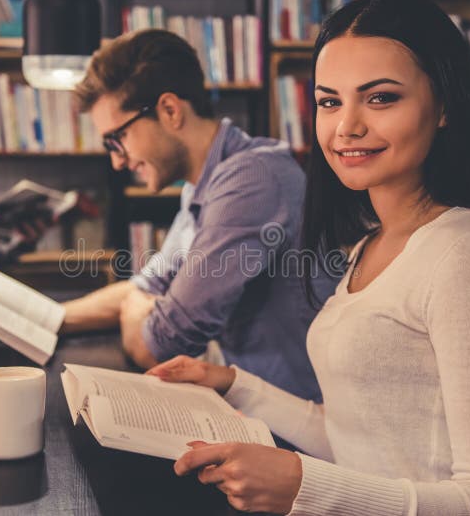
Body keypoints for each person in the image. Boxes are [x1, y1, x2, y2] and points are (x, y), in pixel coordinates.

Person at [148, 0, 470, 515]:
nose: (346, 126)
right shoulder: (372, 242)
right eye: (330, 101)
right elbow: (359, 442)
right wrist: (235, 386)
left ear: (443, 105)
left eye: (380, 98)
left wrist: (304, 488)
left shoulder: (469, 256)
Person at [61, 29, 338, 401]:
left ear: (170, 111)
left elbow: (159, 344)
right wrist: (45, 317)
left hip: (298, 425)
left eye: (117, 138)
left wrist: (138, 309)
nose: (117, 159)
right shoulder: (202, 183)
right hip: (255, 406)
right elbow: (147, 286)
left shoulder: (251, 179)